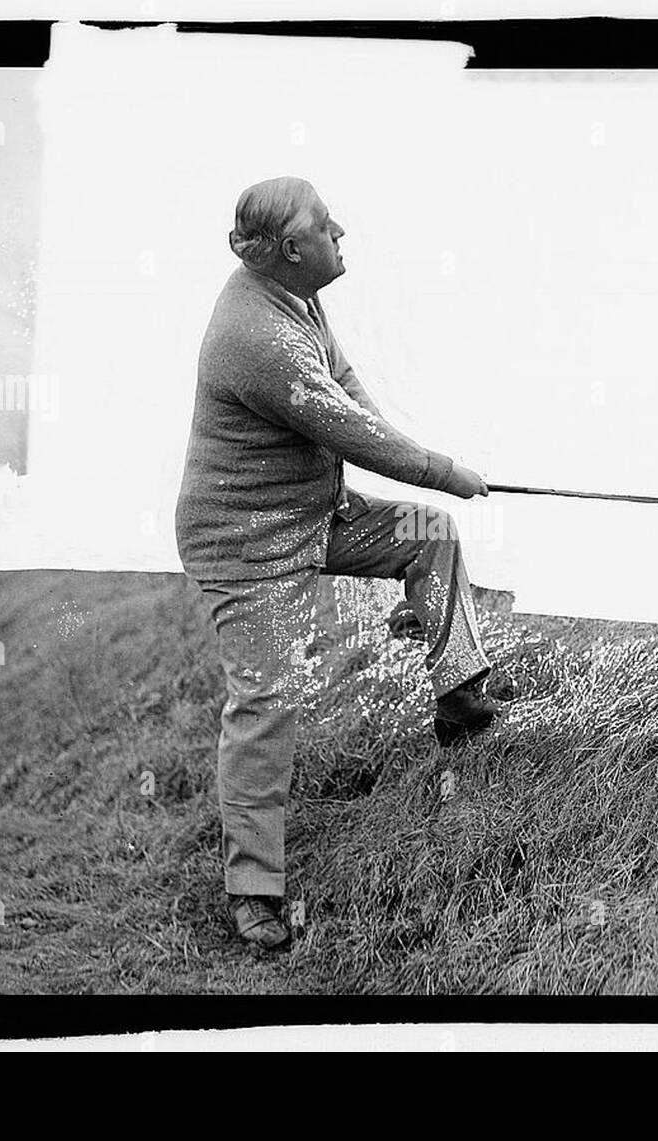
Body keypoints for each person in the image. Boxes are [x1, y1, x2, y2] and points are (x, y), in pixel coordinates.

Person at [175, 176, 500, 953]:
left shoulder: (295, 297)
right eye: (326, 226)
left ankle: (460, 698)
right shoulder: (258, 336)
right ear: (291, 250)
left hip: (312, 513)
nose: (342, 231)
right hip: (245, 543)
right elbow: (349, 433)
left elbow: (348, 396)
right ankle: (254, 889)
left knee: (432, 532)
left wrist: (427, 474)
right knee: (267, 699)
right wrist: (441, 465)